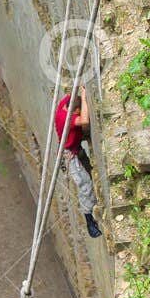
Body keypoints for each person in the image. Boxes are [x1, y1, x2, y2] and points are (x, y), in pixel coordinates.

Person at [54, 84, 101, 238]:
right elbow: (85, 120)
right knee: (85, 186)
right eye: (78, 112)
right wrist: (85, 99)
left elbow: (70, 94)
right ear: (74, 112)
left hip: (75, 150)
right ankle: (89, 219)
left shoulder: (64, 105)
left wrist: (81, 91)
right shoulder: (68, 120)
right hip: (70, 156)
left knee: (90, 174)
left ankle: (91, 211)